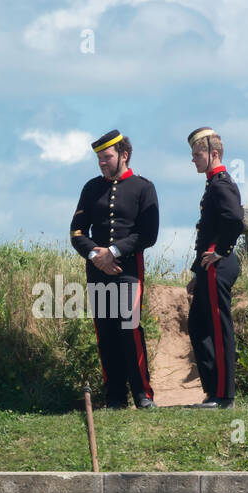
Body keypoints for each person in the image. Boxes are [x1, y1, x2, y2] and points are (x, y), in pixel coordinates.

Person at [70, 129, 160, 409]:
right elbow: (77, 232)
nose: (102, 163)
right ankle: (115, 397)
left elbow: (148, 234)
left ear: (124, 155)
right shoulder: (91, 188)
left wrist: (114, 251)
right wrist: (96, 254)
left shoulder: (143, 188)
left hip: (128, 268)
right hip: (97, 268)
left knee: (128, 329)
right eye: (99, 158)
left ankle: (143, 394)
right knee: (105, 331)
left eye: (107, 157)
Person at [185, 127, 243, 410]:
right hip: (209, 268)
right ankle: (213, 392)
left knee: (219, 329)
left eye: (198, 154)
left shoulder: (221, 184)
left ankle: (225, 396)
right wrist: (198, 272)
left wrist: (220, 251)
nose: (194, 159)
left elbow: (235, 220)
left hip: (220, 266)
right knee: (198, 325)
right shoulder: (213, 184)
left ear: (214, 154)